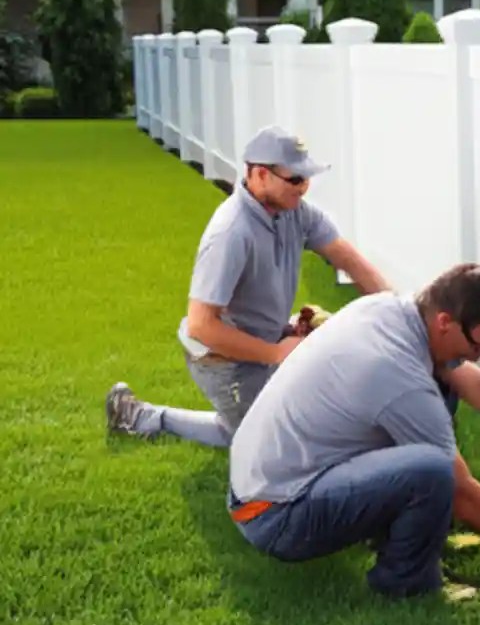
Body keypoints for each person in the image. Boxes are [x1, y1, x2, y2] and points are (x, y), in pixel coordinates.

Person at [225, 263, 480, 600]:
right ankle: (406, 583)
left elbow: (475, 383)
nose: (477, 357)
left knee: (444, 391)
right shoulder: (397, 373)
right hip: (278, 515)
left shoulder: (391, 313)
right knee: (432, 471)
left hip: (262, 486)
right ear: (445, 322)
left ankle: (407, 535)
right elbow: (461, 491)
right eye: (477, 346)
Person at [105, 124, 392, 447]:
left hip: (264, 338)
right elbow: (201, 325)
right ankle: (138, 415)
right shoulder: (231, 233)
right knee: (270, 443)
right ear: (260, 175)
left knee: (305, 410)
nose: (304, 187)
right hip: (223, 361)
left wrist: (400, 312)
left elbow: (349, 259)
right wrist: (276, 352)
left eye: (307, 178)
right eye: (295, 179)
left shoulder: (295, 213)